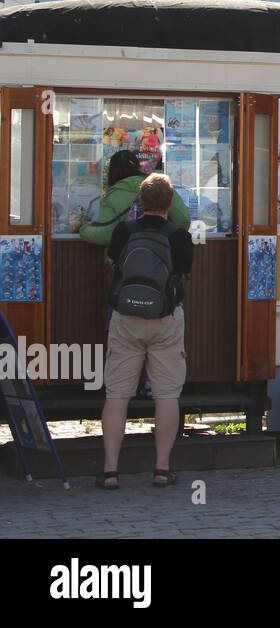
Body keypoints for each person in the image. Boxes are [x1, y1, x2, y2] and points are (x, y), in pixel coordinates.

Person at [98, 173, 194, 489]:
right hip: (165, 318)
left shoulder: (124, 231)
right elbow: (183, 271)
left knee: (116, 395)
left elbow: (112, 264)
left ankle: (110, 471)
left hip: (125, 318)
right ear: (169, 203)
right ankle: (162, 469)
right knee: (167, 395)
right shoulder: (178, 235)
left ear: (140, 202)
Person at [80, 149, 191, 248]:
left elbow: (106, 234)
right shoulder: (161, 186)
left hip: (127, 262)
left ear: (112, 173)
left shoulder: (113, 196)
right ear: (138, 167)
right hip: (164, 260)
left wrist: (84, 229)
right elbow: (183, 218)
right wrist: (165, 238)